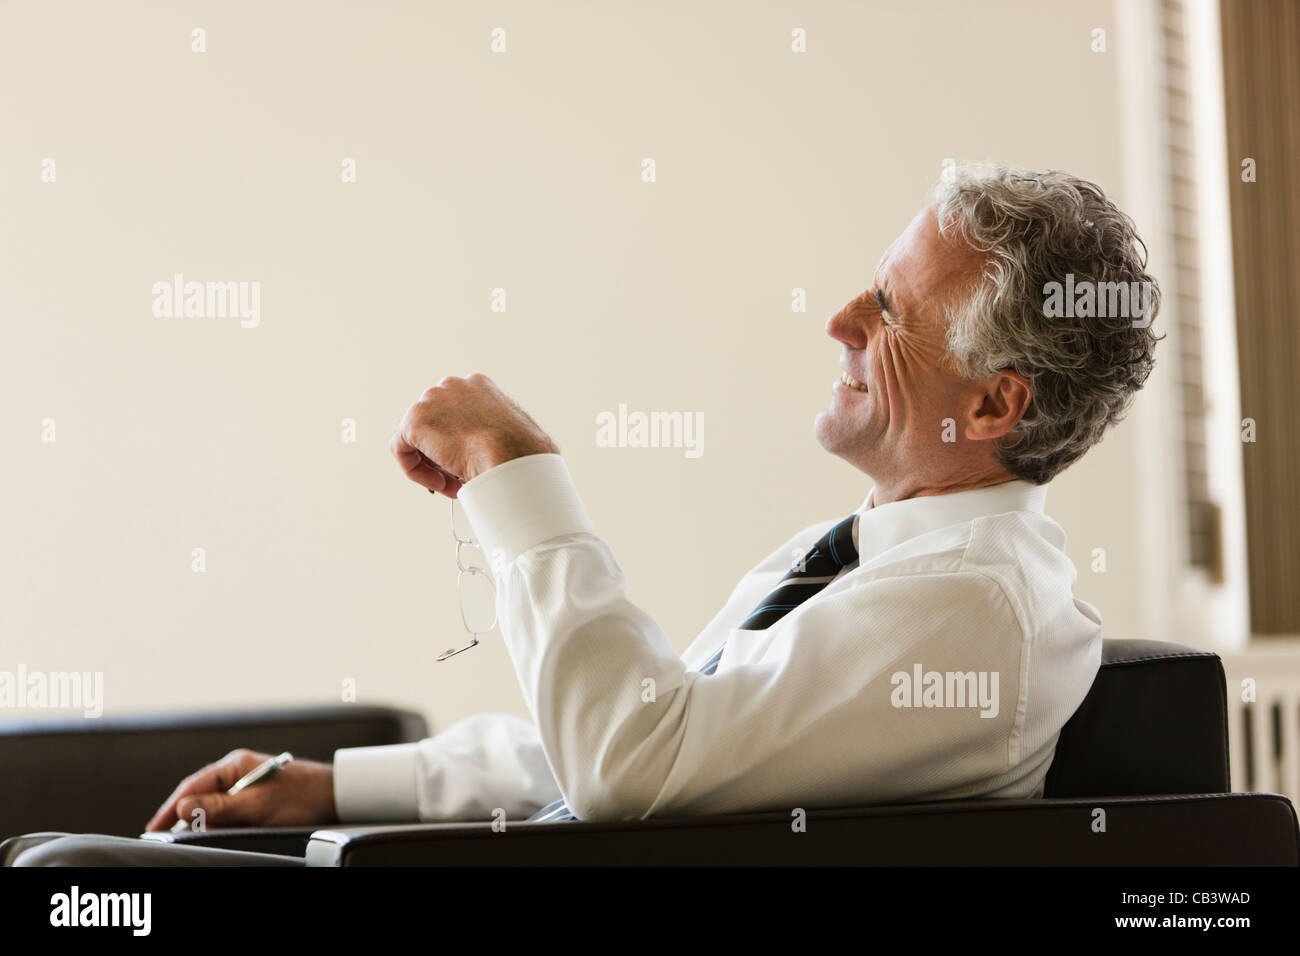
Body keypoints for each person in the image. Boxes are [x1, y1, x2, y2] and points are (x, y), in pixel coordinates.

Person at [7, 164, 1161, 865]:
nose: (839, 318)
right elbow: (659, 734)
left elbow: (629, 764)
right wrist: (337, 782)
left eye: (893, 306)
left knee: (57, 874)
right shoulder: (886, 557)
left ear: (995, 401)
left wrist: (521, 474)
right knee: (59, 855)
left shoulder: (975, 610)